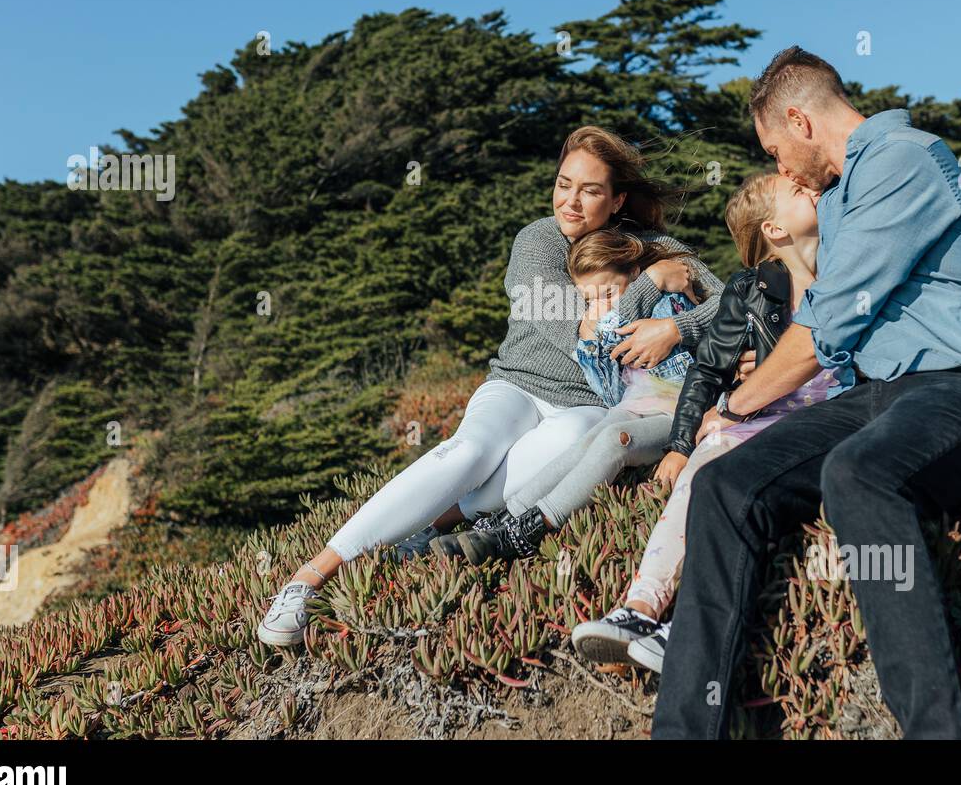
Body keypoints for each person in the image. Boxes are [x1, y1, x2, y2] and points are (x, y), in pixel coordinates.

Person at [651, 46, 961, 740]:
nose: (781, 169)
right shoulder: (843, 193)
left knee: (856, 474)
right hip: (874, 395)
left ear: (799, 119)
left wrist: (732, 407)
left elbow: (831, 319)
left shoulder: (904, 158)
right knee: (726, 487)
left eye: (775, 149)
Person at [257, 126, 725, 647]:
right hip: (518, 387)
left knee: (569, 439)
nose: (570, 201)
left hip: (592, 405)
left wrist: (676, 327)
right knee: (469, 451)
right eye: (563, 183)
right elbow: (582, 331)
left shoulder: (655, 246)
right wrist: (654, 285)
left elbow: (730, 305)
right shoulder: (539, 240)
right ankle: (308, 578)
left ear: (617, 199)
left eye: (590, 190)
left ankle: (437, 525)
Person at [570, 172, 838, 671]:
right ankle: (639, 608)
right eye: (795, 191)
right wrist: (679, 443)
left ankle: (688, 623)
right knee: (705, 460)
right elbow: (708, 369)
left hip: (828, 420)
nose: (810, 189)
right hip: (755, 414)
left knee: (735, 484)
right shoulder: (751, 289)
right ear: (775, 230)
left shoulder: (855, 271)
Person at [431, 226, 702, 564]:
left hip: (684, 412)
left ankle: (525, 533)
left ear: (635, 274)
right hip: (637, 405)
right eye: (591, 299)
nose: (601, 306)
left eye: (609, 293)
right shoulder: (619, 308)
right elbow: (608, 385)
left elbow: (623, 324)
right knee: (589, 440)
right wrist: (592, 339)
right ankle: (500, 522)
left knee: (614, 442)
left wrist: (649, 283)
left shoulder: (668, 302)